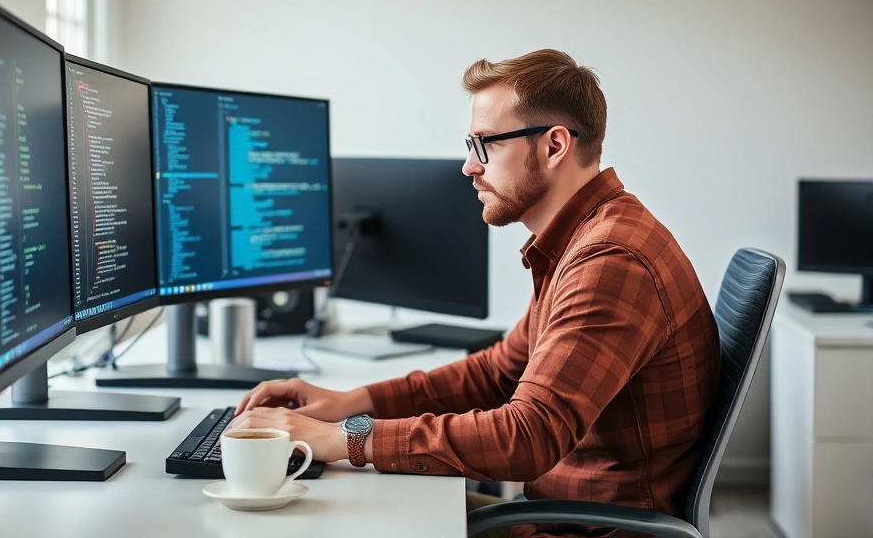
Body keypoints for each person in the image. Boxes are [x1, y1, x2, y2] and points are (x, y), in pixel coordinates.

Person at [227, 49, 720, 538]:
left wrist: (345, 438)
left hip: (583, 530)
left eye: (486, 144)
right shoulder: (581, 241)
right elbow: (498, 372)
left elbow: (529, 436)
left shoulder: (611, 260)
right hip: (555, 512)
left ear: (554, 146)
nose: (468, 166)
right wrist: (348, 403)